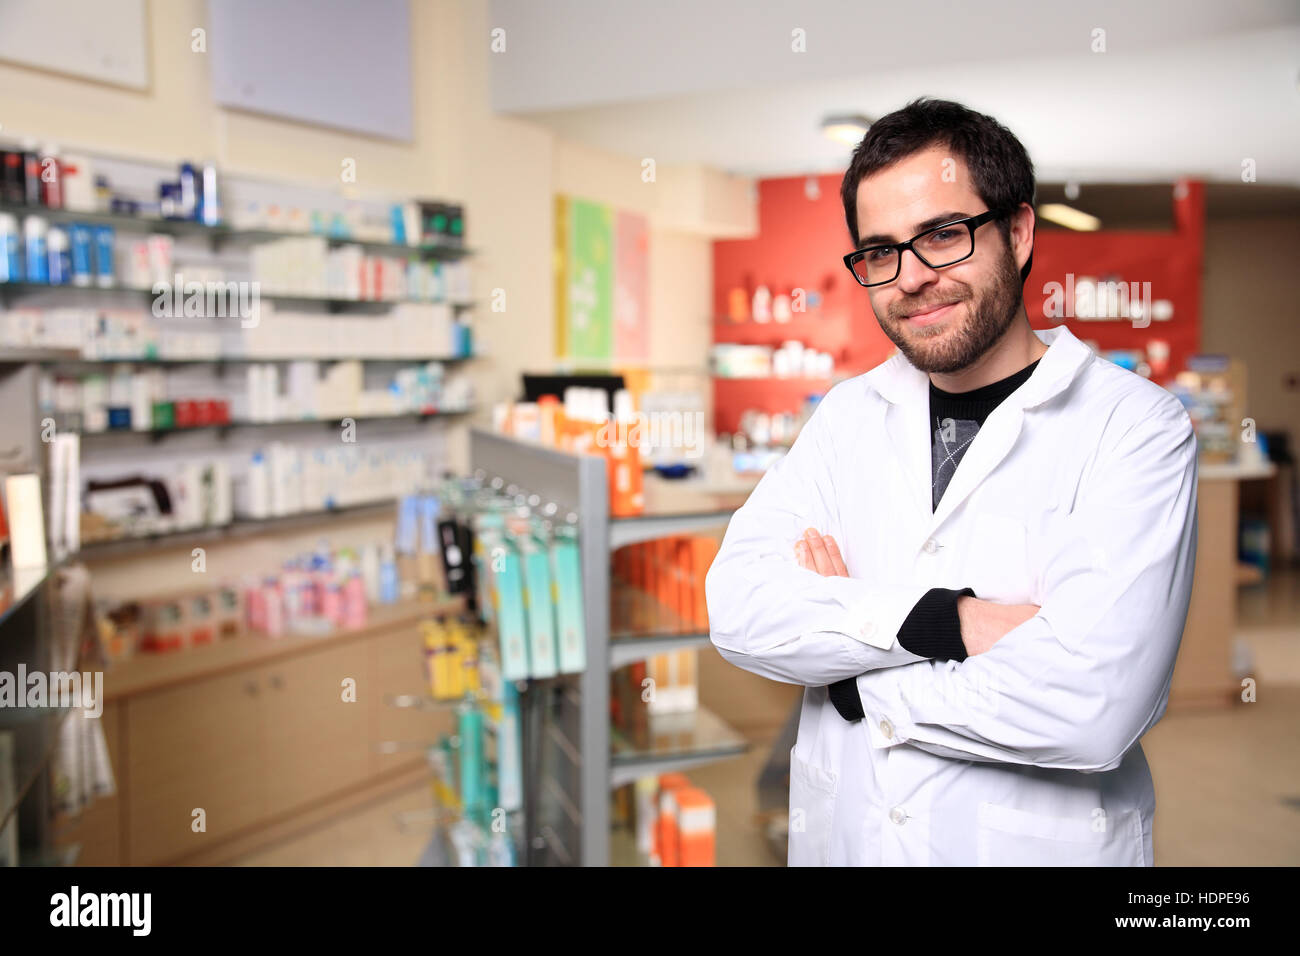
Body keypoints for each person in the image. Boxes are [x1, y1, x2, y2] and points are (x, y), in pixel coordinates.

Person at [705, 97, 1198, 866]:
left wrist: (854, 678)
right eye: (880, 252)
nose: (912, 279)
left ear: (1019, 232)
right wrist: (955, 624)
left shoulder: (1134, 427)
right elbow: (737, 606)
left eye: (943, 235)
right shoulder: (846, 417)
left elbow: (1091, 705)